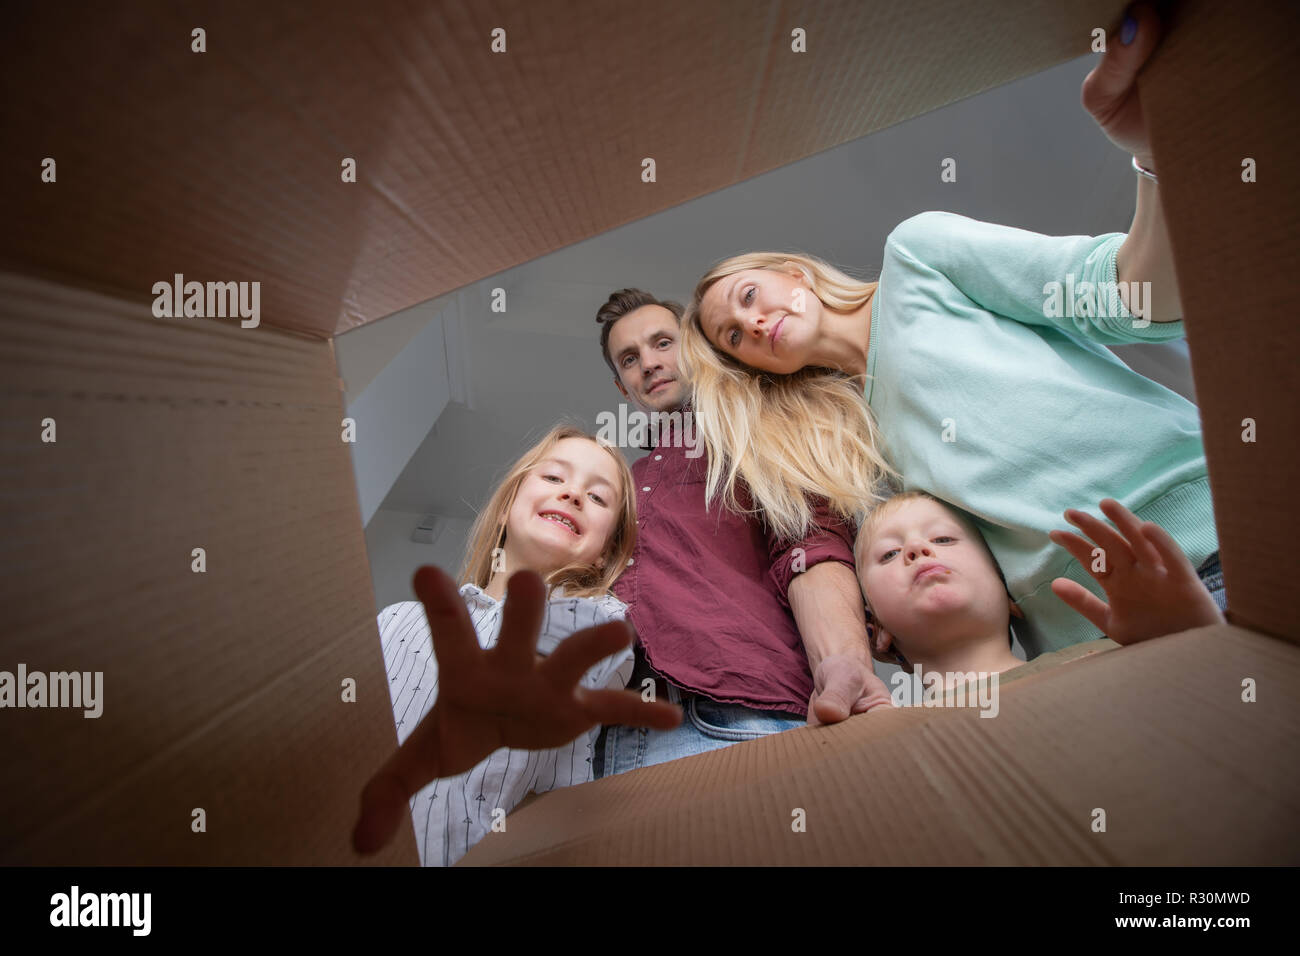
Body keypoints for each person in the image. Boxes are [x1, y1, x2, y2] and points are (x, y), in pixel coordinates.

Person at [674, 3, 1222, 657]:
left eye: (748, 296)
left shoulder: (919, 256)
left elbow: (1133, 299)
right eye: (734, 336)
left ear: (795, 274)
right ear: (763, 371)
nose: (753, 322)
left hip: (1213, 540)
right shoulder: (863, 454)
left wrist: (1156, 156)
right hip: (1094, 635)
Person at [591, 290, 891, 777]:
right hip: (609, 740)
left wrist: (843, 661)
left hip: (736, 716)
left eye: (662, 343)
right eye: (630, 358)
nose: (648, 363)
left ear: (694, 347)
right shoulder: (617, 485)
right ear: (623, 388)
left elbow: (808, 545)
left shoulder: (759, 434)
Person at [352, 425, 680, 862]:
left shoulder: (600, 623)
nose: (573, 494)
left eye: (598, 497)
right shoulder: (396, 622)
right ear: (507, 508)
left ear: (604, 552)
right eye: (553, 478)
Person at [855, 491, 1224, 688]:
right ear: (875, 631)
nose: (918, 550)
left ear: (1009, 594)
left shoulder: (1098, 666)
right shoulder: (878, 739)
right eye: (889, 554)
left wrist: (1189, 640)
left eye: (944, 538)